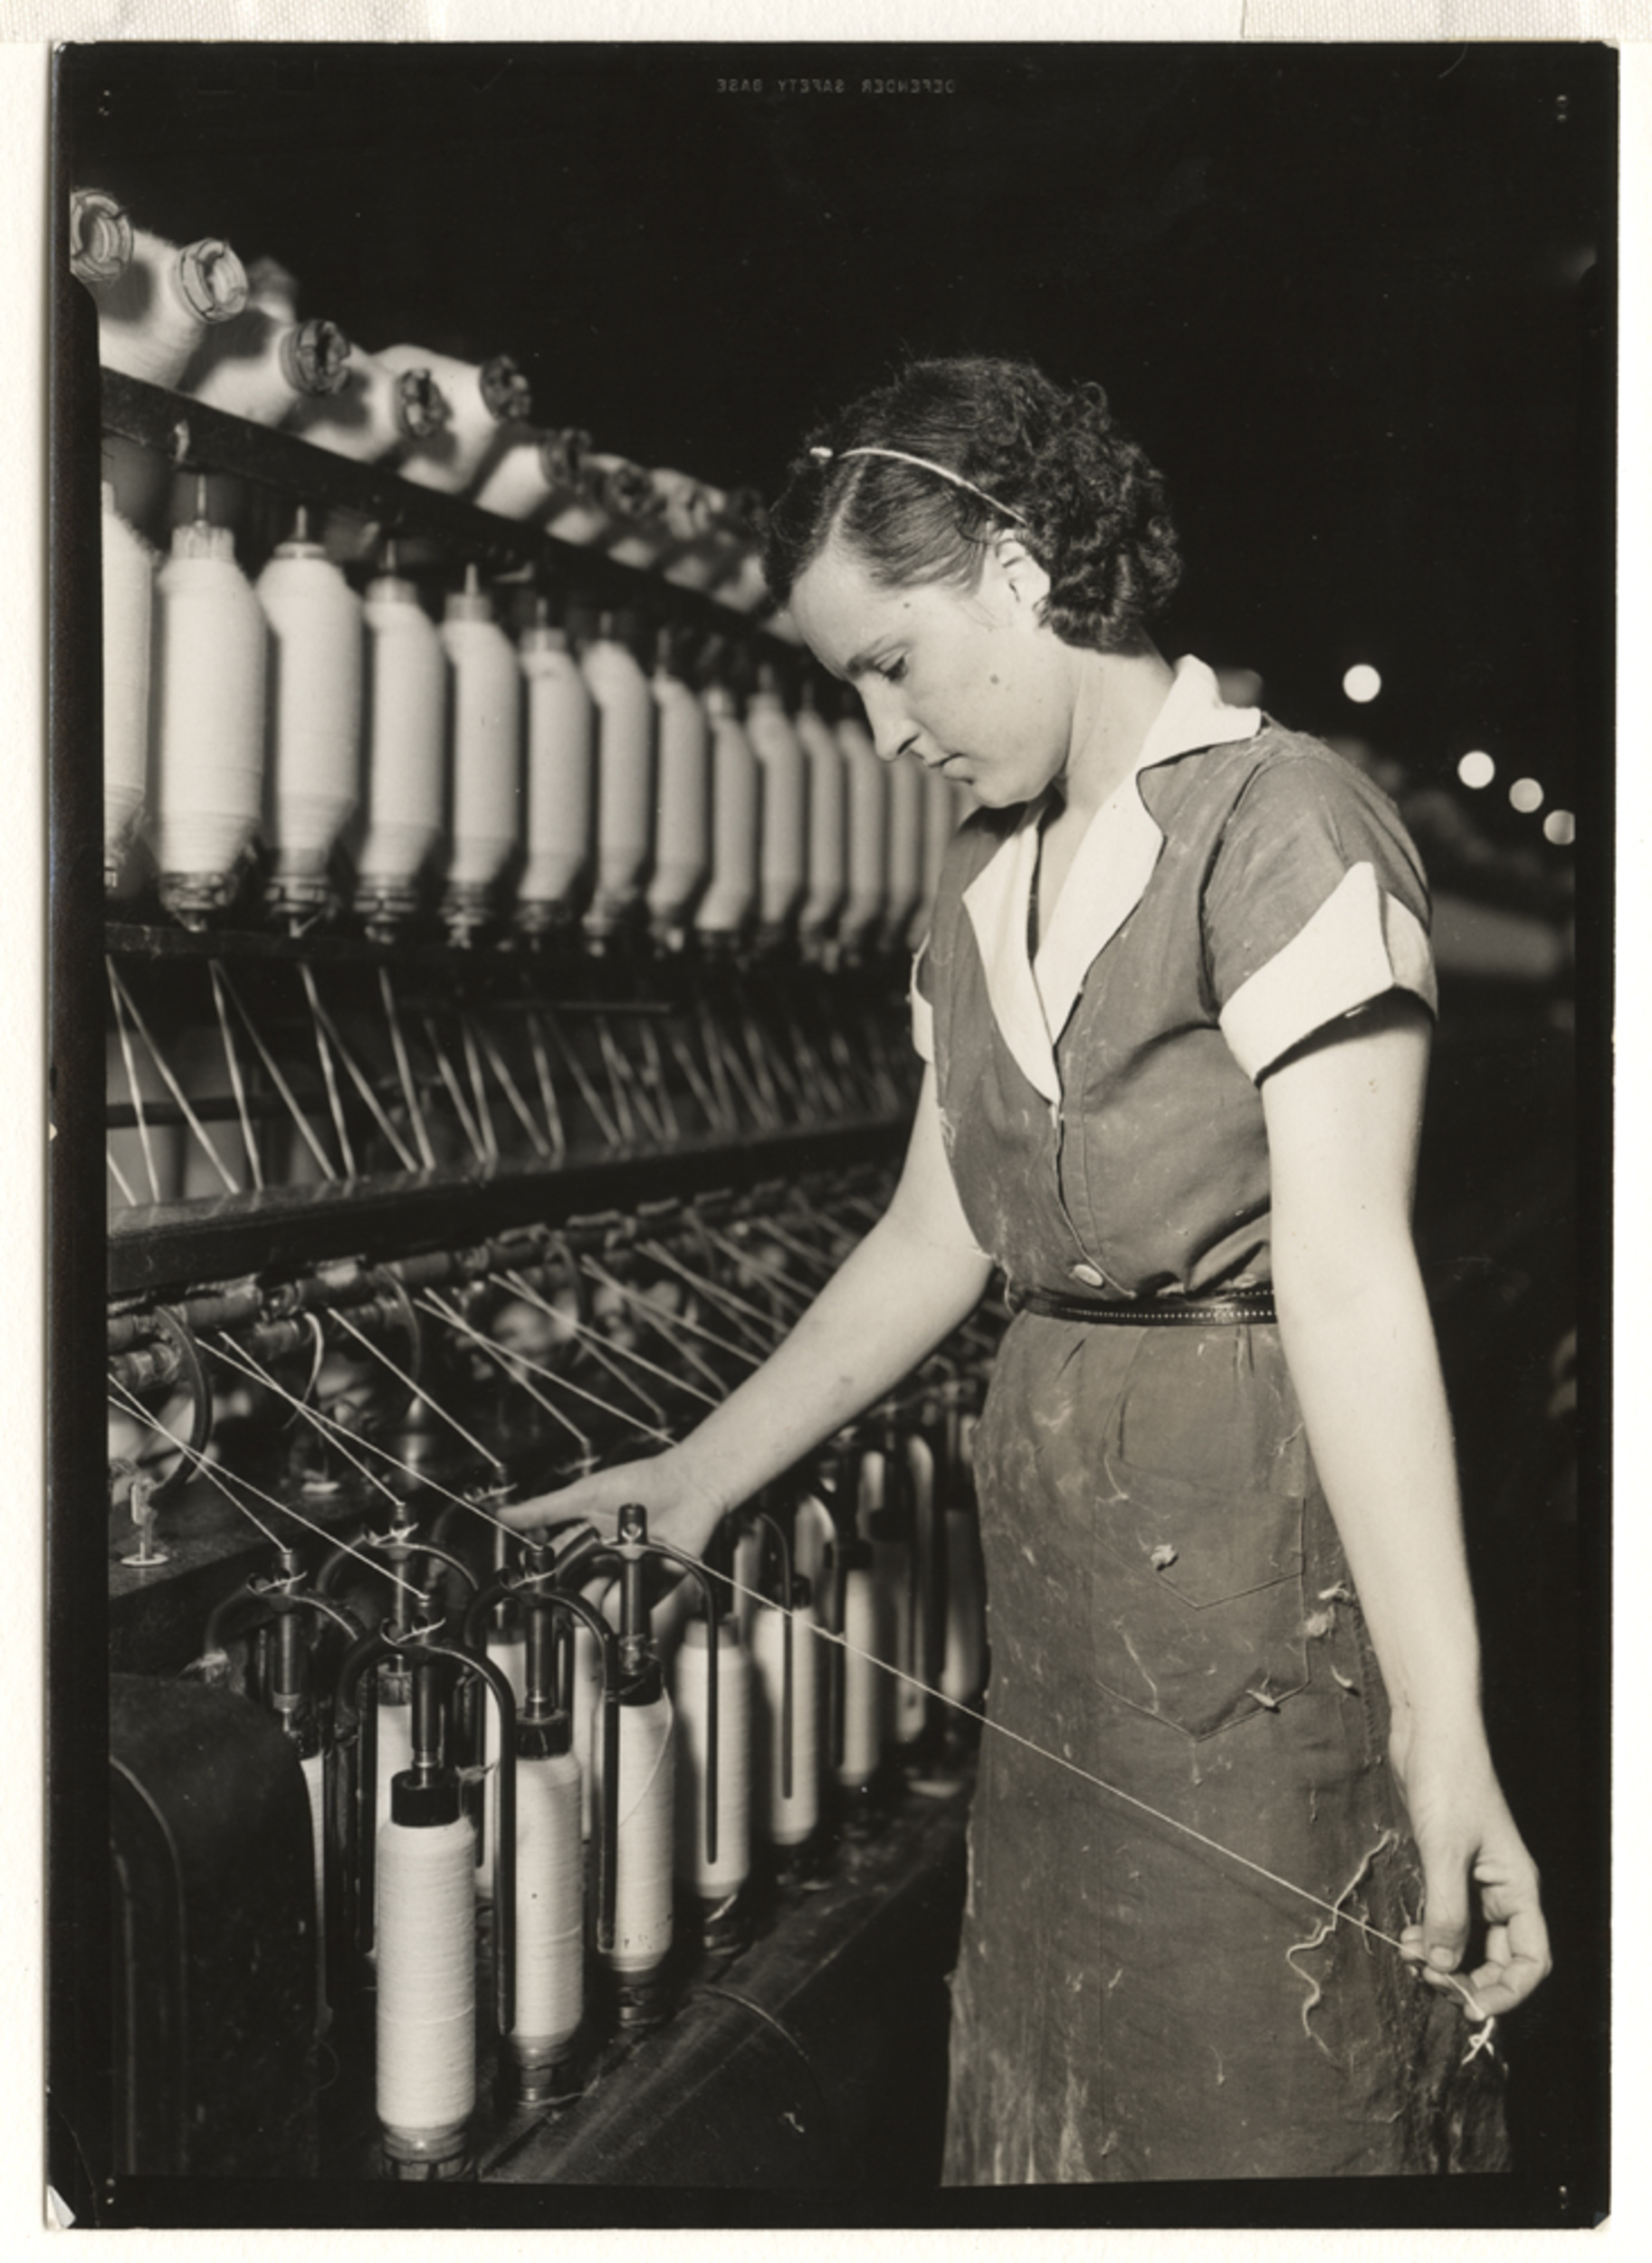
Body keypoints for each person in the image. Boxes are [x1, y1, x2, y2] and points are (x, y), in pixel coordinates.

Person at [504, 355, 1550, 2182]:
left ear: (1015, 568)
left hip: (1264, 1569)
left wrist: (1440, 1721)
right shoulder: (982, 879)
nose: (883, 733)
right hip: (1067, 1601)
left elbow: (1351, 1280)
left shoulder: (1280, 826)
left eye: (890, 665)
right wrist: (698, 1473)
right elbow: (937, 1233)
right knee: (1064, 2094)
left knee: (1261, 2089)